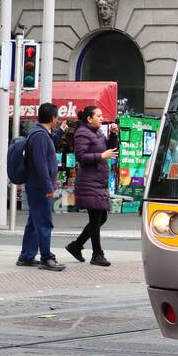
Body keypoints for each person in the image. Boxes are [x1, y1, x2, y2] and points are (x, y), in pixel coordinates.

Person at [66, 105, 118, 266]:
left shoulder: (97, 132)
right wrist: (102, 155)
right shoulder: (82, 133)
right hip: (89, 182)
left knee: (102, 217)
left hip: (98, 182)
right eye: (99, 116)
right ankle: (97, 254)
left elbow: (110, 148)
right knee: (96, 219)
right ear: (89, 118)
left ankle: (76, 245)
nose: (102, 118)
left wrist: (114, 134)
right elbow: (80, 156)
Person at [18, 102, 65, 271]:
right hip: (39, 187)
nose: (58, 120)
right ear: (53, 118)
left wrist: (60, 132)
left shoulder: (40, 134)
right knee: (44, 222)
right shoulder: (39, 136)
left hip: (37, 185)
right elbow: (40, 164)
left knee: (34, 221)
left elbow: (46, 148)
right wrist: (48, 188)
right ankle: (46, 258)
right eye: (57, 117)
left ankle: (27, 256)